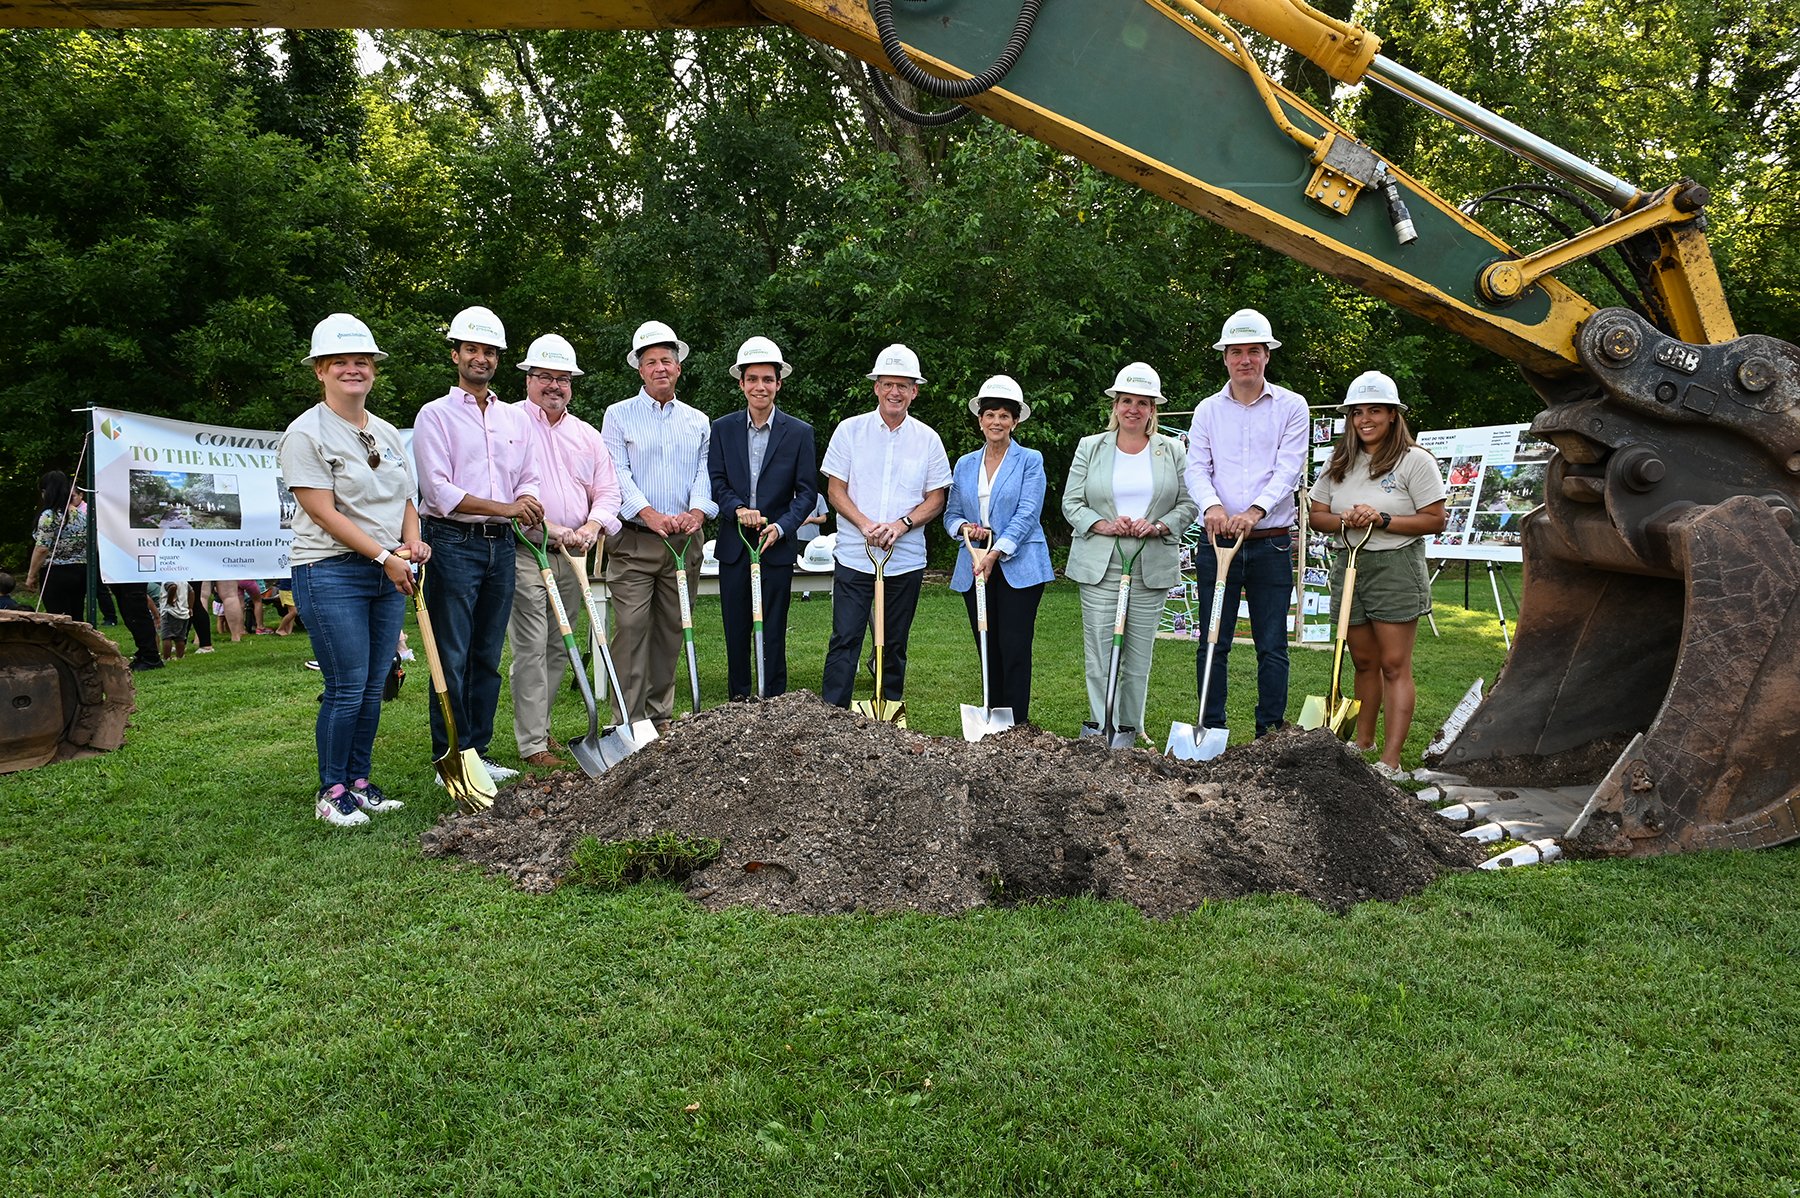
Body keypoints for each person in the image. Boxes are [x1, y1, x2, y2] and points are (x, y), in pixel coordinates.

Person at [277, 312, 432, 828]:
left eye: (361, 362)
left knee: (374, 683)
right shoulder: (305, 433)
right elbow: (323, 511)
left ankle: (360, 784)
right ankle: (332, 789)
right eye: (339, 362)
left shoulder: (386, 432)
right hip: (331, 571)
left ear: (374, 371)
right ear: (320, 370)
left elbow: (405, 497)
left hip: (386, 568)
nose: (352, 370)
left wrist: (412, 544)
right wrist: (386, 556)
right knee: (346, 686)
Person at [415, 305, 543, 783]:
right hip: (451, 541)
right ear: (455, 355)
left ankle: (479, 750)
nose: (482, 358)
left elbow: (528, 476)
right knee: (451, 653)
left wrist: (527, 499)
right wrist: (507, 507)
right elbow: (438, 492)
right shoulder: (436, 416)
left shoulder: (514, 420)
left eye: (490, 351)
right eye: (472, 349)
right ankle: (450, 754)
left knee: (488, 654)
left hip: (501, 547)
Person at [1307, 370, 1447, 779]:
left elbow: (1435, 519)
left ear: (1392, 415)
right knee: (1363, 660)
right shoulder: (1340, 461)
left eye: (1375, 410)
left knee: (1393, 664)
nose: (1365, 419)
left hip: (1395, 566)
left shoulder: (1414, 461)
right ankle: (1362, 742)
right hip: (1348, 563)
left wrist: (1381, 518)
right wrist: (1344, 519)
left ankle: (1391, 761)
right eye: (1357, 412)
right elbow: (1317, 515)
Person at [1184, 308, 1309, 738]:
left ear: (1266, 355)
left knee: (1271, 645)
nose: (1244, 360)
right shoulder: (1207, 410)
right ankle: (1210, 727)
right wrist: (1212, 507)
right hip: (1216, 543)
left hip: (1271, 543)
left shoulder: (1292, 407)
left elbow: (1288, 468)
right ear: (1225, 358)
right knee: (1212, 640)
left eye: (1253, 351)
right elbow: (1197, 467)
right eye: (1236, 352)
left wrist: (1254, 512)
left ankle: (1269, 735)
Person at [1063, 363, 1198, 741]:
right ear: (1115, 405)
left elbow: (1189, 504)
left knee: (1138, 657)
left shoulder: (1171, 450)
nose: (1133, 409)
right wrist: (1102, 524)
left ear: (1153, 409)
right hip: (1101, 563)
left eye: (1143, 402)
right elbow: (1071, 502)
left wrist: (1157, 526)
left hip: (1150, 562)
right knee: (1100, 653)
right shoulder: (1091, 447)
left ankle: (1130, 729)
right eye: (1126, 401)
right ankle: (1101, 724)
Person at [507, 333, 621, 768]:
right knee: (532, 644)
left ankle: (544, 727)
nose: (555, 386)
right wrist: (549, 527)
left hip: (572, 553)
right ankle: (532, 744)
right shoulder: (510, 424)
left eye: (563, 379)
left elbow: (607, 491)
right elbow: (505, 490)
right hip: (527, 548)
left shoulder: (586, 434)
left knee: (561, 645)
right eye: (545, 377)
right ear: (528, 380)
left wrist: (592, 525)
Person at [820, 344, 952, 709]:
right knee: (845, 638)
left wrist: (902, 524)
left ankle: (888, 712)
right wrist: (864, 525)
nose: (895, 392)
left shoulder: (927, 439)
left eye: (903, 385)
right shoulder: (850, 431)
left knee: (893, 642)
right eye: (888, 384)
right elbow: (835, 489)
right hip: (854, 556)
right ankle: (832, 718)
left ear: (915, 391)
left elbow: (936, 497)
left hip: (904, 559)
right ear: (876, 386)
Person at [600, 320, 717, 731]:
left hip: (685, 542)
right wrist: (648, 513)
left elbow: (706, 472)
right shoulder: (618, 416)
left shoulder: (698, 420)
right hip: (636, 541)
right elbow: (617, 472)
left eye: (666, 360)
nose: (660, 368)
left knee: (672, 627)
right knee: (630, 628)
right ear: (639, 369)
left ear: (679, 366)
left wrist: (697, 513)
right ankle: (626, 722)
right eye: (651, 362)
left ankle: (658, 713)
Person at [708, 336, 818, 700]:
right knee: (736, 630)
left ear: (778, 383)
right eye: (752, 379)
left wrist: (783, 526)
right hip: (735, 546)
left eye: (767, 380)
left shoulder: (799, 433)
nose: (760, 387)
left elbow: (806, 493)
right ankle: (738, 704)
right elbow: (717, 481)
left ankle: (774, 704)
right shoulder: (722, 429)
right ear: (741, 383)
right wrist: (737, 509)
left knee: (773, 630)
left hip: (776, 546)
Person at [942, 375, 1054, 723]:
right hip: (975, 563)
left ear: (1015, 421)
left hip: (1018, 565)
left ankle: (1017, 723)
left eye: (1005, 415)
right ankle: (992, 716)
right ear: (980, 420)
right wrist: (964, 529)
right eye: (990, 414)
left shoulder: (1030, 460)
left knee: (1014, 646)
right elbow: (951, 513)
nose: (996, 422)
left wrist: (996, 552)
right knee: (986, 645)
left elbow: (1027, 513)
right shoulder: (964, 464)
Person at [27, 470, 163, 669]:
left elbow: (42, 547)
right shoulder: (81, 515)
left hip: (56, 572)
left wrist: (31, 575)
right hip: (81, 571)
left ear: (46, 492)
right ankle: (81, 657)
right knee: (76, 617)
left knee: (58, 618)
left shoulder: (49, 515)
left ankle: (65, 658)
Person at [159, 581, 190, 661]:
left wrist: (170, 601)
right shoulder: (184, 581)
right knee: (180, 638)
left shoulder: (168, 579)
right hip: (184, 612)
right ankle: (180, 656)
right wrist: (190, 607)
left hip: (170, 612)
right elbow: (192, 592)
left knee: (167, 637)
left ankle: (166, 657)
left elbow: (172, 587)